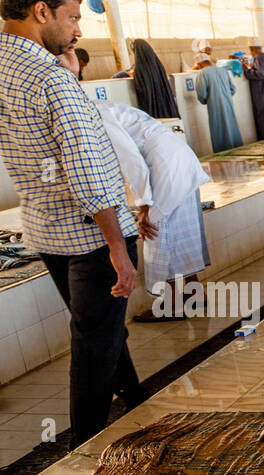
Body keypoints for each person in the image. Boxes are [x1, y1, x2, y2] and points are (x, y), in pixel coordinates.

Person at [0, 0, 145, 446]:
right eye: (74, 17)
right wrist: (118, 249)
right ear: (42, 11)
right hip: (90, 236)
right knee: (93, 344)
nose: (78, 31)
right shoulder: (50, 77)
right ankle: (86, 447)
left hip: (45, 230)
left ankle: (138, 401)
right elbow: (86, 172)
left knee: (99, 328)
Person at [58, 50, 211, 320]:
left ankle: (172, 307)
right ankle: (195, 292)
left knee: (157, 231)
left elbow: (132, 161)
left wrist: (143, 205)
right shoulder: (99, 108)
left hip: (165, 164)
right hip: (178, 158)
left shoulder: (95, 116)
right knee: (181, 229)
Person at [193, 53, 242, 153]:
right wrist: (225, 97)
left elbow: (202, 94)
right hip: (228, 104)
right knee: (232, 128)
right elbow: (233, 89)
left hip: (215, 106)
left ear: (199, 64)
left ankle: (224, 154)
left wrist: (208, 100)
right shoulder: (223, 70)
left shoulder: (202, 73)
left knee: (219, 131)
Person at [129, 38, 179, 119]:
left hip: (153, 108)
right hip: (165, 105)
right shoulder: (158, 64)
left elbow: (141, 88)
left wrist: (133, 76)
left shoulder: (140, 68)